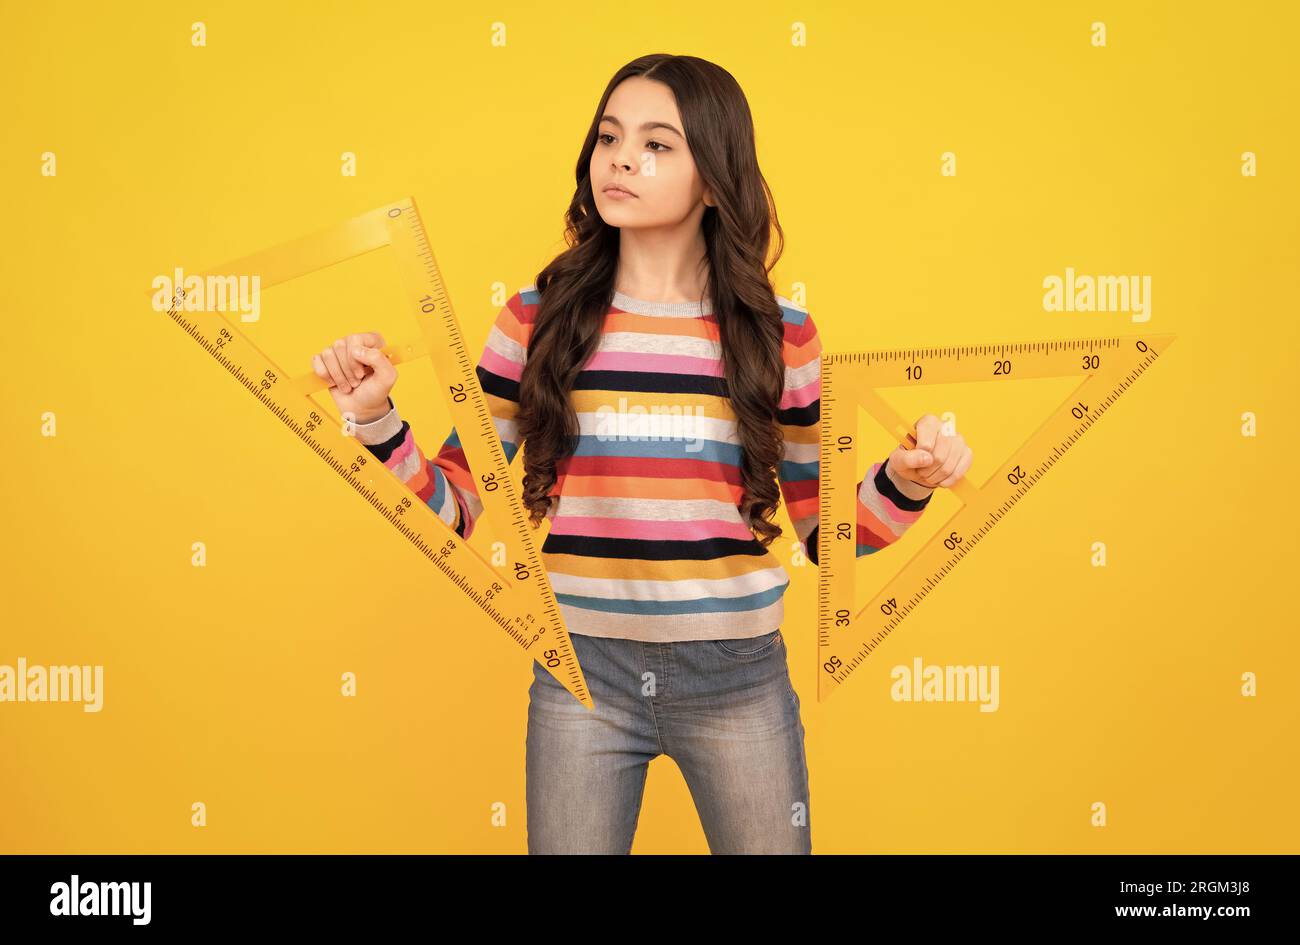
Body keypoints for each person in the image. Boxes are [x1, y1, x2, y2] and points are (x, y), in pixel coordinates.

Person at [310, 54, 973, 854]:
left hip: (737, 678)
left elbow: (824, 534)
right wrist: (378, 415)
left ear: (716, 178)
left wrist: (906, 478)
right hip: (579, 677)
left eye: (659, 144)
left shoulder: (780, 335)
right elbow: (455, 506)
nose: (620, 157)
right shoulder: (533, 319)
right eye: (609, 137)